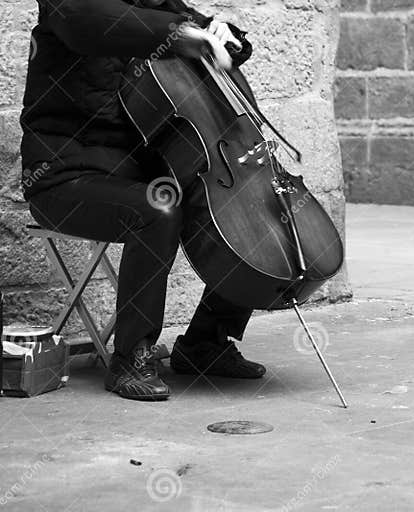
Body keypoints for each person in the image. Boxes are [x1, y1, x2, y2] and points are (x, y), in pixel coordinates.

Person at [20, 0, 267, 402]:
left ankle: (205, 343)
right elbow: (91, 20)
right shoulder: (66, 8)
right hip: (64, 176)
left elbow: (197, 28)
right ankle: (130, 360)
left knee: (241, 208)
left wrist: (225, 35)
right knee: (157, 210)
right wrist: (181, 34)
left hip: (136, 173)